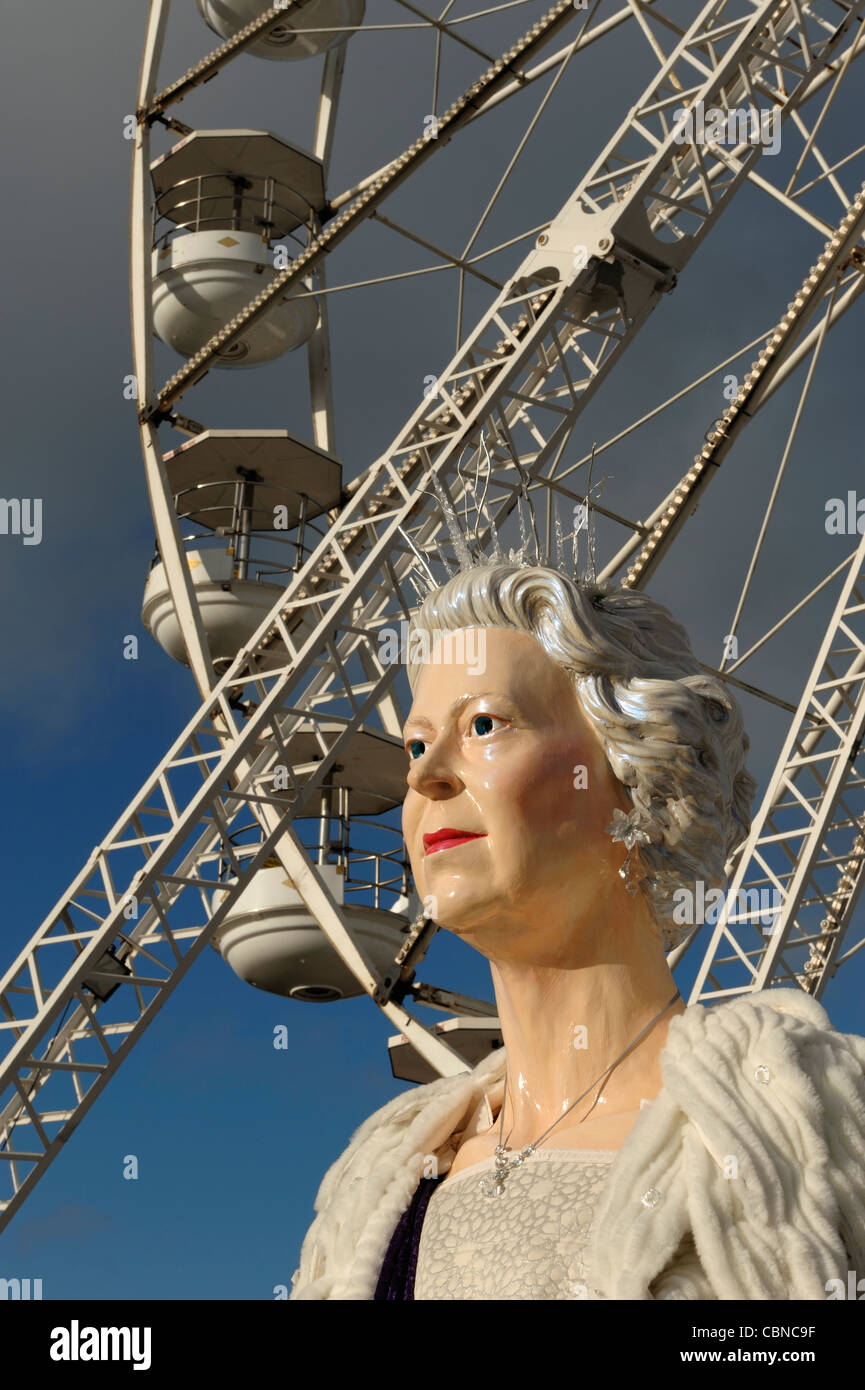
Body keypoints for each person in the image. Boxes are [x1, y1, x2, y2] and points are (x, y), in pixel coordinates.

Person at [290, 563, 865, 1300]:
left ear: (635, 777)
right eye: (415, 744)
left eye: (484, 727)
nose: (425, 775)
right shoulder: (382, 1187)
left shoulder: (805, 1129)